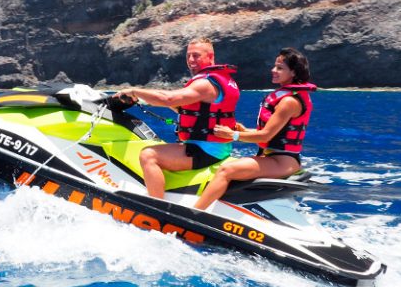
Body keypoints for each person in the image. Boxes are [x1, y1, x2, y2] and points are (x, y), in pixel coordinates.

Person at [113, 38, 240, 199]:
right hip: (215, 148)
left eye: (196, 55)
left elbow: (169, 99)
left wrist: (135, 91)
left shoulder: (205, 84)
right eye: (188, 56)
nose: (191, 60)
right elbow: (188, 109)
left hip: (205, 151)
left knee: (148, 155)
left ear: (210, 56)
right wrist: (147, 99)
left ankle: (157, 206)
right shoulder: (220, 80)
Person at [194, 47, 316, 211]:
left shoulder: (289, 102)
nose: (273, 70)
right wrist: (244, 131)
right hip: (275, 158)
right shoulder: (288, 96)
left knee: (226, 170)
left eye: (280, 68)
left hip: (282, 162)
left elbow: (265, 136)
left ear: (293, 72)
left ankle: (195, 213)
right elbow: (276, 134)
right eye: (274, 66)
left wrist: (233, 135)